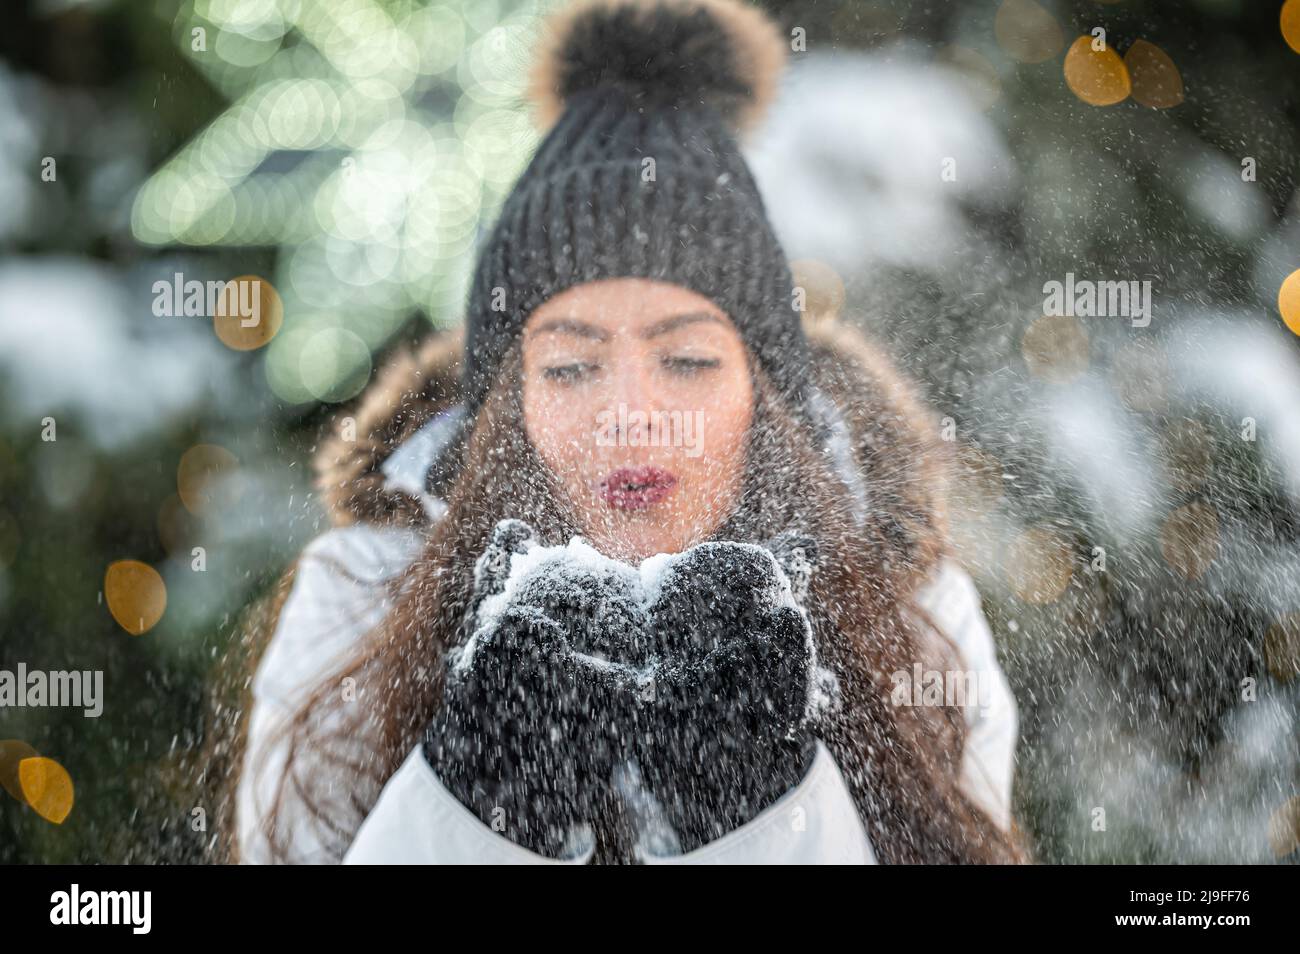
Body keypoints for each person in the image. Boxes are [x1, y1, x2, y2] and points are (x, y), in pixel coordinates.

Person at [231, 0, 1027, 864]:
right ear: (509, 403)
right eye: (570, 368)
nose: (630, 414)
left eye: (686, 361)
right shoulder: (364, 591)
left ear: (764, 395)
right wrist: (473, 806)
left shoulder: (908, 611)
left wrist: (759, 815)